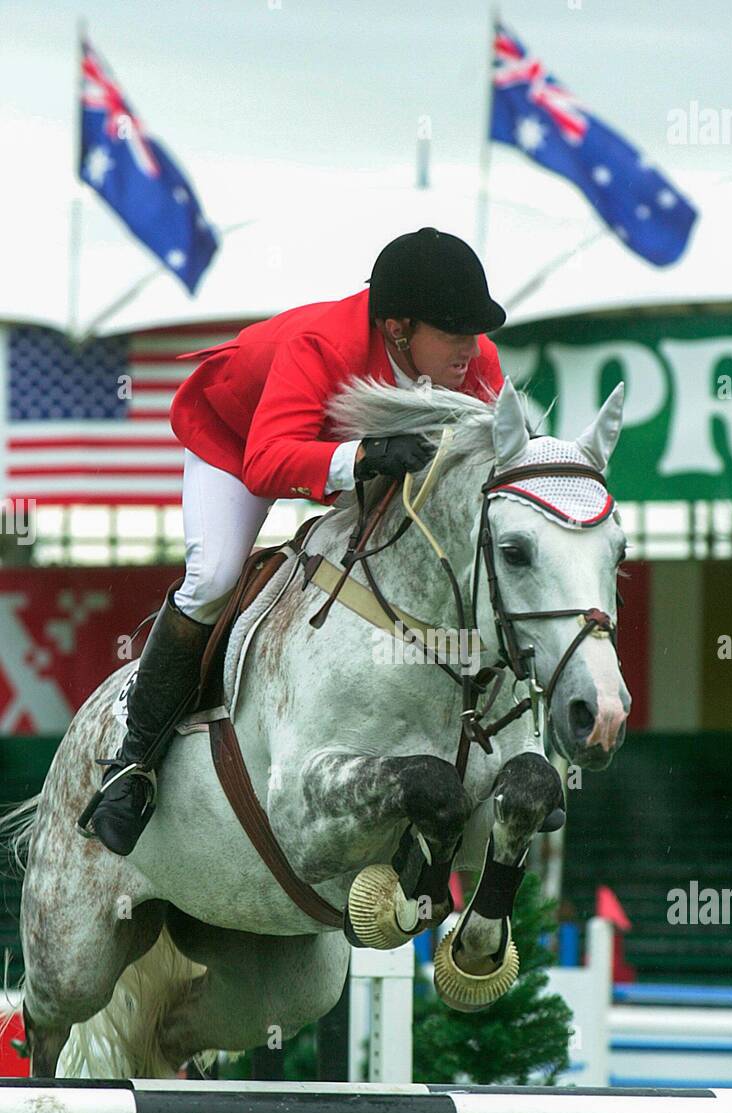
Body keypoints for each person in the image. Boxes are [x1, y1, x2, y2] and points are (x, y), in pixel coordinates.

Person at [81, 227, 506, 856]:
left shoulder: (474, 365)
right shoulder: (320, 346)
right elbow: (267, 463)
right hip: (237, 439)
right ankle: (133, 761)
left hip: (347, 461)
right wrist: (363, 457)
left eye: (474, 331)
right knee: (215, 577)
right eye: (454, 333)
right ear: (397, 328)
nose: (472, 349)